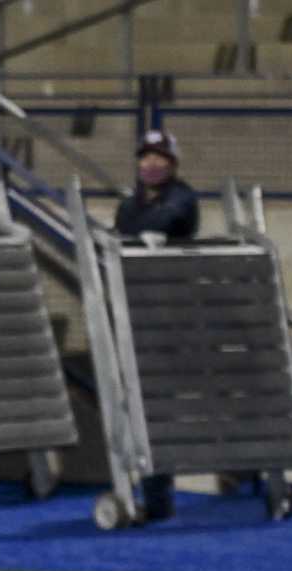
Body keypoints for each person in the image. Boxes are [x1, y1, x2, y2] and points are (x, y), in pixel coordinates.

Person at [114, 128, 199, 522]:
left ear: (172, 162)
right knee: (135, 406)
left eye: (158, 157)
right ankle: (150, 491)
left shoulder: (182, 197)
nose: (150, 163)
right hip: (135, 311)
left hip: (169, 319)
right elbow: (124, 232)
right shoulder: (130, 203)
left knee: (159, 407)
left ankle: (159, 494)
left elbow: (172, 217)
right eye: (145, 156)